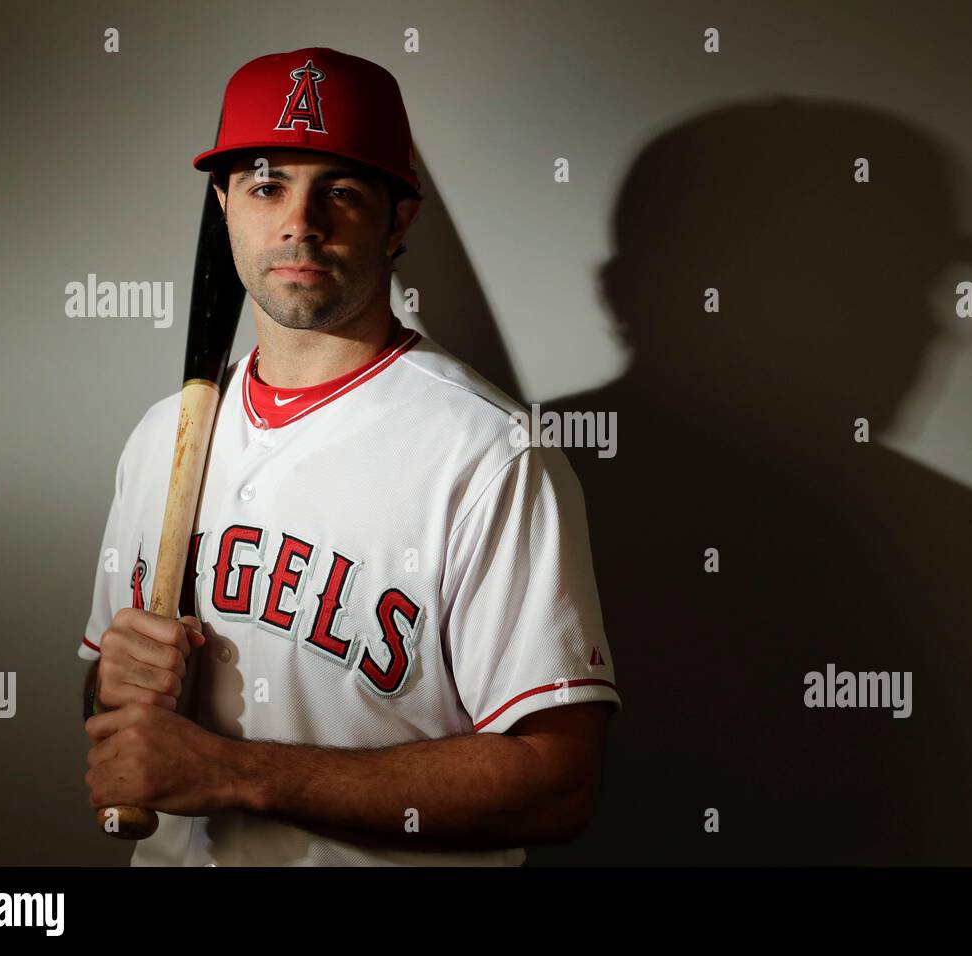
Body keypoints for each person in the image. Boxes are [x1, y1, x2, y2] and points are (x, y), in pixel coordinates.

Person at [78, 47, 620, 866]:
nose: (300, 221)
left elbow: (556, 782)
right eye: (266, 186)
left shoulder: (489, 454)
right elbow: (111, 713)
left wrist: (235, 773)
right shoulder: (164, 437)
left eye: (340, 190)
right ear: (222, 204)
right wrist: (112, 686)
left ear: (398, 220)